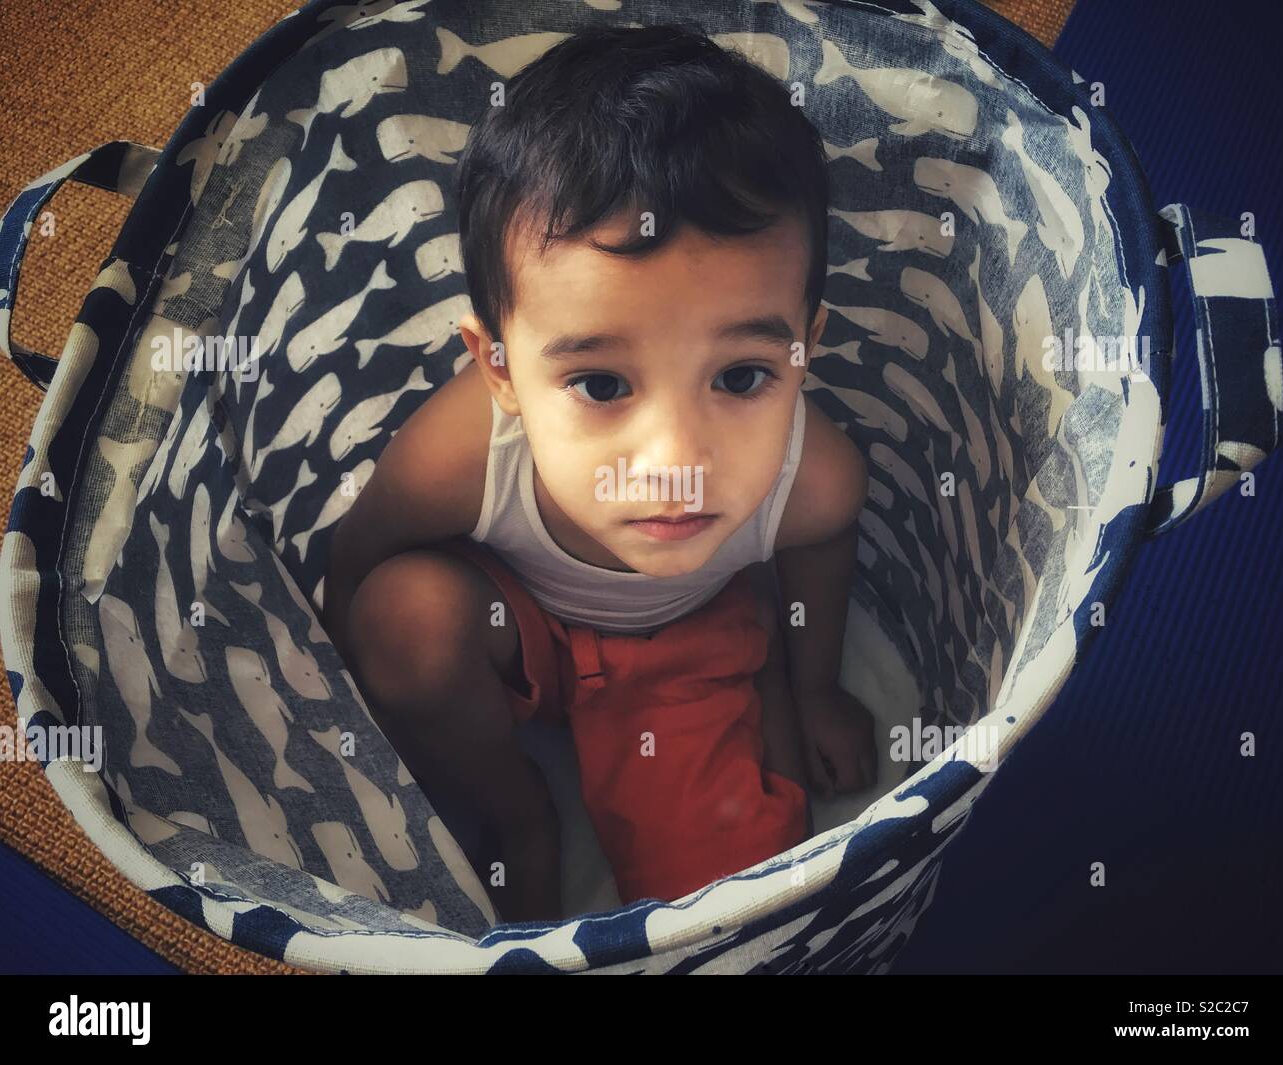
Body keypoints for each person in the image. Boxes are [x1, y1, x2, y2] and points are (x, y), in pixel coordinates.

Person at [324, 23, 876, 923]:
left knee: (735, 908)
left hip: (691, 638)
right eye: (600, 383)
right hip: (518, 619)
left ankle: (762, 678)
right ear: (500, 369)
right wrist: (377, 692)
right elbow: (360, 556)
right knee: (399, 615)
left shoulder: (811, 475)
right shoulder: (462, 450)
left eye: (741, 376)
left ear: (805, 350)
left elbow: (822, 546)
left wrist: (816, 687)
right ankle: (519, 816)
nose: (673, 464)